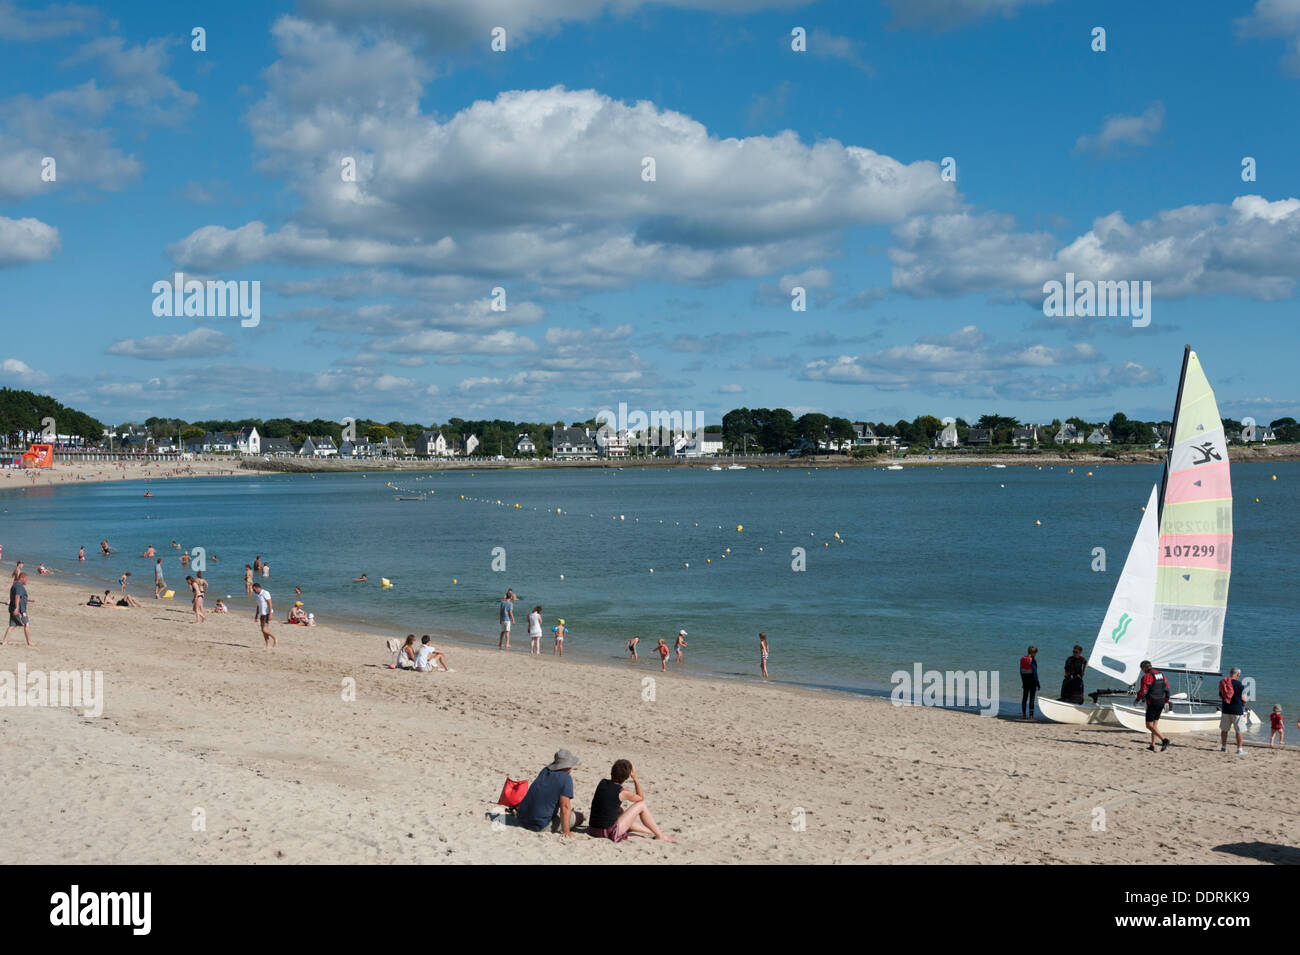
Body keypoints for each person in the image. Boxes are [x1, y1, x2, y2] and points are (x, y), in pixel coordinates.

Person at [587, 760, 675, 843]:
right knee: (641, 805)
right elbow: (640, 798)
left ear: (612, 772)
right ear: (626, 777)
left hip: (592, 829)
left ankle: (650, 830)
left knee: (620, 811)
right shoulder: (623, 792)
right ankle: (660, 835)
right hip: (606, 832)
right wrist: (635, 779)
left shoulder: (602, 782)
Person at [514, 750, 583, 836]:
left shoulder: (545, 770)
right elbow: (565, 807)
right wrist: (566, 831)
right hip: (539, 825)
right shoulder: (566, 779)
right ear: (568, 766)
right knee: (579, 817)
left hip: (521, 818)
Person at [1135, 660, 1171, 752]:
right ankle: (1152, 745)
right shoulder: (1161, 674)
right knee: (1155, 725)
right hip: (1161, 701)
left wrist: (1138, 699)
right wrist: (1166, 701)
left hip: (1153, 702)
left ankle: (1164, 740)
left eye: (1141, 669)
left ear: (1144, 668)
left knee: (1149, 725)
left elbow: (1143, 691)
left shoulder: (1147, 676)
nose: (1142, 671)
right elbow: (1167, 687)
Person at [1218, 666, 1247, 755]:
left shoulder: (1223, 683)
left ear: (1230, 673)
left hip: (1226, 709)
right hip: (1237, 710)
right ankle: (1239, 749)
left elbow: (1220, 696)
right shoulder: (1240, 685)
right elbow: (1245, 699)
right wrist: (1243, 704)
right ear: (1238, 674)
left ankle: (1223, 747)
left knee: (1224, 729)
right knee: (1239, 730)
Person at [2, 571, 33, 646]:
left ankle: (4, 641)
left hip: (13, 608)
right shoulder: (19, 586)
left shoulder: (15, 585)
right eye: (26, 579)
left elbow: (18, 597)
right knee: (26, 624)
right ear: (21, 578)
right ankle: (29, 642)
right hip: (20, 610)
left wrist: (28, 599)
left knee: (12, 625)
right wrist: (17, 608)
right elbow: (17, 596)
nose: (26, 581)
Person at [251, 581, 276, 649]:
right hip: (262, 614)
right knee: (263, 631)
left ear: (257, 588)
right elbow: (258, 606)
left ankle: (275, 638)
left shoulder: (265, 593)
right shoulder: (257, 595)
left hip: (267, 613)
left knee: (264, 630)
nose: (253, 591)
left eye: (254, 589)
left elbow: (270, 604)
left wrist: (270, 614)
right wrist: (256, 616)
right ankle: (267, 645)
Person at [1020, 645, 1040, 719]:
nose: (1036, 655)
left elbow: (1021, 671)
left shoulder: (1023, 659)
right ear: (1033, 653)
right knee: (1031, 698)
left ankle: (1024, 715)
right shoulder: (1033, 660)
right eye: (1036, 653)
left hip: (1025, 681)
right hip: (1032, 682)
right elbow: (1035, 673)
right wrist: (1038, 684)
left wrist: (1023, 681)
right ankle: (1031, 716)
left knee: (1024, 698)